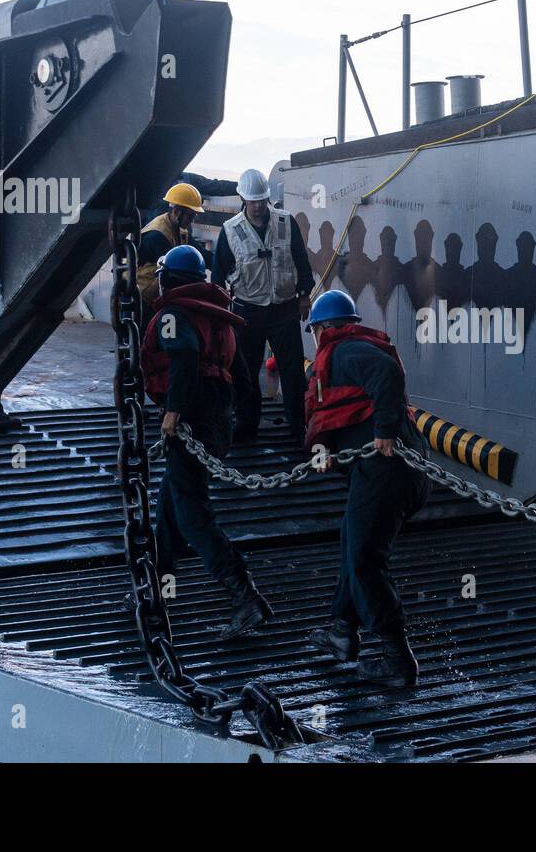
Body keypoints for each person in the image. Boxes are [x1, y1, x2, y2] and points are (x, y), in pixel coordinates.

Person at [140, 245, 273, 639]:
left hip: (190, 423)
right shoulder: (219, 321)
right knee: (169, 506)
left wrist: (174, 410)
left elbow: (184, 356)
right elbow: (244, 379)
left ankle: (245, 596)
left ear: (168, 278)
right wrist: (227, 415)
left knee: (192, 515)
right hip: (216, 424)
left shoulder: (172, 316)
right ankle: (157, 590)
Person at [302, 290, 431, 687]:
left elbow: (386, 375)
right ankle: (341, 631)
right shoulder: (348, 351)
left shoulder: (343, 352)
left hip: (387, 470)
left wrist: (385, 431)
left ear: (323, 328)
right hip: (394, 472)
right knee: (351, 542)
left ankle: (397, 659)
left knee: (363, 558)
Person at [212, 168, 314, 449]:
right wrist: (220, 311)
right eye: (253, 201)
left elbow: (301, 261)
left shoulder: (285, 222)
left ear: (268, 198)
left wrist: (305, 294)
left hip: (284, 309)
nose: (258, 206)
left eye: (262, 200)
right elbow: (218, 274)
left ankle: (298, 425)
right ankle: (247, 424)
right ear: (243, 199)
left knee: (292, 373)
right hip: (248, 311)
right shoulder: (231, 230)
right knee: (245, 372)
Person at [138, 183, 206, 319]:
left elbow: (199, 252)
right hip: (144, 297)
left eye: (194, 216)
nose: (192, 220)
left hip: (158, 293)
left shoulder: (179, 229)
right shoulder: (157, 235)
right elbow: (176, 273)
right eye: (190, 216)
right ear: (176, 212)